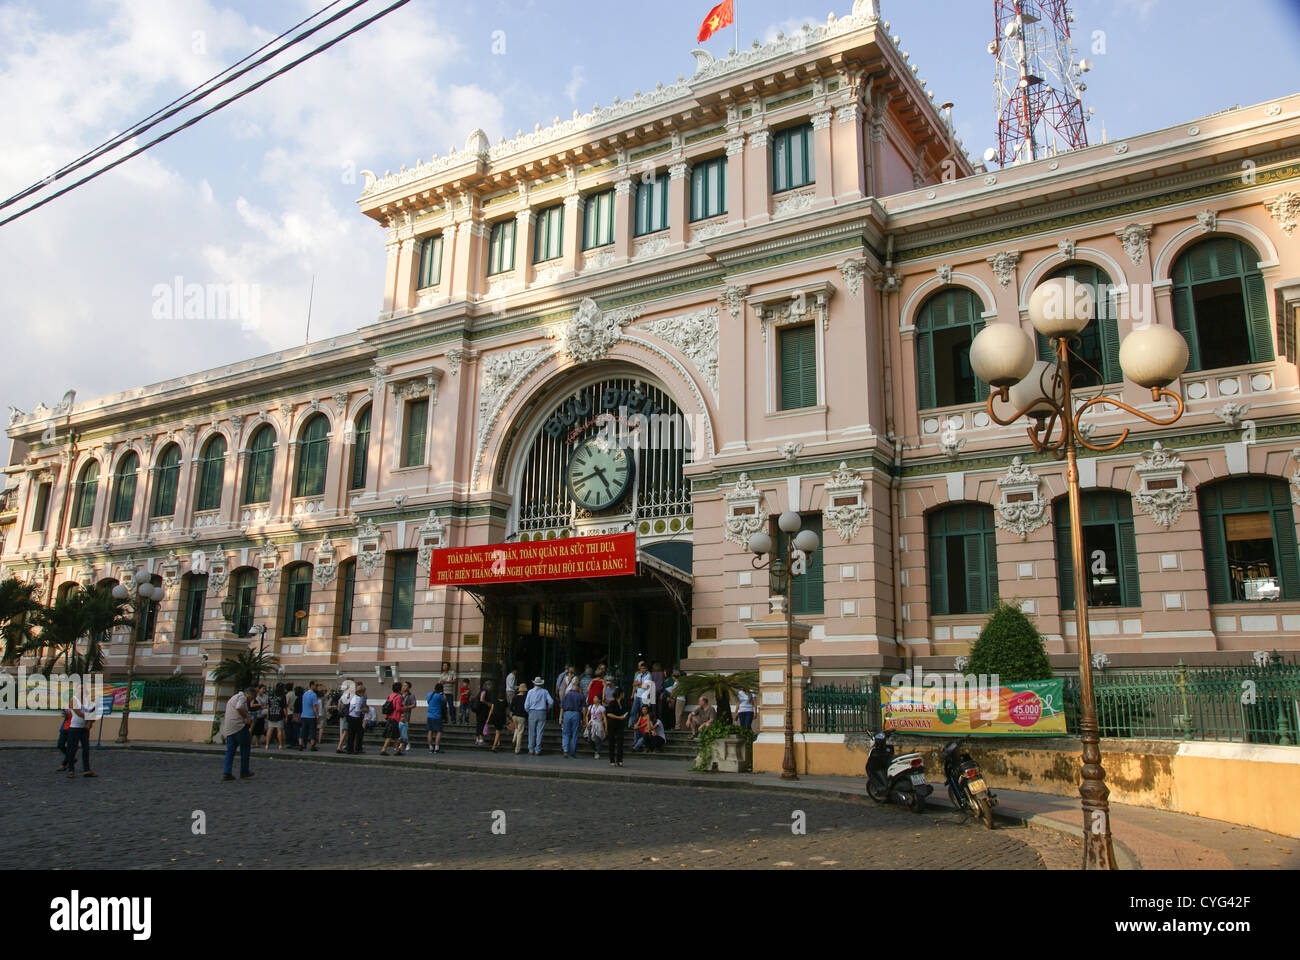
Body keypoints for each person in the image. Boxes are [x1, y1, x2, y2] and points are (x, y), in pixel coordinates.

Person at [221, 686, 255, 781]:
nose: (250, 700)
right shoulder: (242, 697)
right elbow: (239, 707)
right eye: (251, 698)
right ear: (249, 695)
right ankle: (244, 771)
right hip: (239, 727)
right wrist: (246, 717)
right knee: (245, 748)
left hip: (229, 727)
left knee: (230, 751)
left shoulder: (233, 697)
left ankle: (226, 772)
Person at [63, 685, 97, 778]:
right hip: (74, 727)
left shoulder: (87, 700)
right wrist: (90, 718)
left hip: (84, 728)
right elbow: (79, 713)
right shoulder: (73, 700)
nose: (82, 690)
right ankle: (71, 770)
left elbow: (92, 711)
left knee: (86, 748)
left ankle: (87, 770)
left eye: (83, 688)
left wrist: (90, 721)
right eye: (80, 688)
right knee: (72, 749)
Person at [524, 677, 553, 755]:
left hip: (532, 712)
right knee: (540, 731)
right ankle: (538, 749)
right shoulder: (545, 692)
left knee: (531, 731)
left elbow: (526, 705)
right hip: (542, 712)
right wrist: (548, 709)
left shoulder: (530, 692)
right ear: (541, 684)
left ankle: (531, 749)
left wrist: (528, 711)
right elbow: (551, 701)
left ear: (534, 683)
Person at [560, 680, 586, 759]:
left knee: (565, 733)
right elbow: (584, 709)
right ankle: (572, 752)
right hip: (576, 714)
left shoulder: (566, 695)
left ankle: (565, 750)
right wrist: (584, 718)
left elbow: (562, 707)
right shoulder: (581, 696)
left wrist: (560, 717)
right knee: (575, 733)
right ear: (578, 688)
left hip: (567, 714)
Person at [632, 661, 654, 750]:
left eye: (643, 668)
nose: (642, 670)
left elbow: (646, 686)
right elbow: (634, 684)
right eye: (641, 668)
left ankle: (642, 725)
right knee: (633, 711)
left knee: (643, 712)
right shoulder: (638, 675)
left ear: (646, 669)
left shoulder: (648, 675)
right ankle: (635, 725)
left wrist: (639, 684)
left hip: (644, 696)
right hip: (637, 695)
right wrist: (639, 684)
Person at [380, 682, 405, 756]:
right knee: (390, 735)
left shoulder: (391, 695)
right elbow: (398, 708)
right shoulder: (399, 697)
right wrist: (405, 708)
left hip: (389, 716)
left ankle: (397, 750)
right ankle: (383, 749)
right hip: (395, 717)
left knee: (396, 735)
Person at [605, 688, 628, 767]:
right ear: (620, 694)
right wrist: (619, 717)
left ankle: (619, 759)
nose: (624, 695)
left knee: (620, 741)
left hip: (620, 724)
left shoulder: (623, 703)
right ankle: (612, 760)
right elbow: (609, 714)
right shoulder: (612, 703)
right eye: (622, 693)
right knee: (611, 742)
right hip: (612, 723)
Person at [346, 683, 368, 754]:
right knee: (359, 733)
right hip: (355, 718)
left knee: (351, 734)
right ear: (361, 692)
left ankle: (349, 749)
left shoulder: (353, 697)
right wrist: (363, 710)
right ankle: (358, 748)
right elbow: (357, 710)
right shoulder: (359, 699)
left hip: (350, 717)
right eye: (364, 692)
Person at [299, 681, 321, 750]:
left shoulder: (305, 694)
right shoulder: (313, 695)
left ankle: (300, 744)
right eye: (316, 685)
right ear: (312, 685)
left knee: (303, 731)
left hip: (304, 715)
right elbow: (314, 706)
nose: (317, 687)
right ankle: (312, 745)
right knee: (312, 731)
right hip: (311, 716)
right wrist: (317, 715)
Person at [426, 683, 448, 753]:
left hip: (429, 715)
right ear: (441, 689)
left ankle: (430, 747)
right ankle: (437, 747)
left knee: (430, 731)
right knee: (439, 731)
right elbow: (444, 701)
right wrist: (444, 694)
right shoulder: (438, 696)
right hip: (437, 716)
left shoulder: (429, 694)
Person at [335, 679, 355, 752]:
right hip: (349, 715)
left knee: (344, 731)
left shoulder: (344, 695)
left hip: (343, 714)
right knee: (346, 731)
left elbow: (339, 704)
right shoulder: (351, 695)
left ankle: (343, 745)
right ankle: (342, 746)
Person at [487, 687, 509, 752]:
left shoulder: (495, 701)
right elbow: (507, 712)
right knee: (498, 732)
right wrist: (510, 718)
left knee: (497, 730)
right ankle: (494, 746)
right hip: (501, 718)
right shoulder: (505, 702)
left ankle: (498, 742)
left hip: (494, 717)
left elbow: (491, 710)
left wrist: (488, 718)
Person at [266, 683, 287, 749]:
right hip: (279, 714)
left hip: (271, 713)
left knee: (270, 729)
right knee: (279, 730)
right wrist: (286, 716)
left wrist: (268, 714)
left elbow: (268, 706)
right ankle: (280, 745)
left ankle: (267, 745)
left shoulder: (270, 695)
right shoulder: (282, 696)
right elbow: (284, 707)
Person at [509, 682, 528, 754]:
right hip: (521, 716)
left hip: (514, 716)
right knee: (520, 732)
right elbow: (526, 707)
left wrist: (514, 712)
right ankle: (517, 749)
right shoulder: (525, 698)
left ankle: (514, 739)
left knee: (516, 728)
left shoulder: (515, 697)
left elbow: (511, 707)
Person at [474, 680, 494, 746]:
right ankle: (480, 739)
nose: (491, 688)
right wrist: (488, 703)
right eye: (491, 686)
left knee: (479, 723)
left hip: (479, 710)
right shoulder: (484, 691)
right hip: (482, 710)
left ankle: (477, 739)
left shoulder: (482, 691)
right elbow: (482, 699)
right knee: (481, 723)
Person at [399, 681, 416, 755]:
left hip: (406, 714)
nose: (403, 687)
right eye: (403, 685)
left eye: (405, 686)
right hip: (399, 714)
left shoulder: (411, 695)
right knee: (400, 729)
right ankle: (401, 743)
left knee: (405, 729)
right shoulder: (399, 695)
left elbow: (414, 704)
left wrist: (407, 707)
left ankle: (407, 742)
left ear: (409, 687)